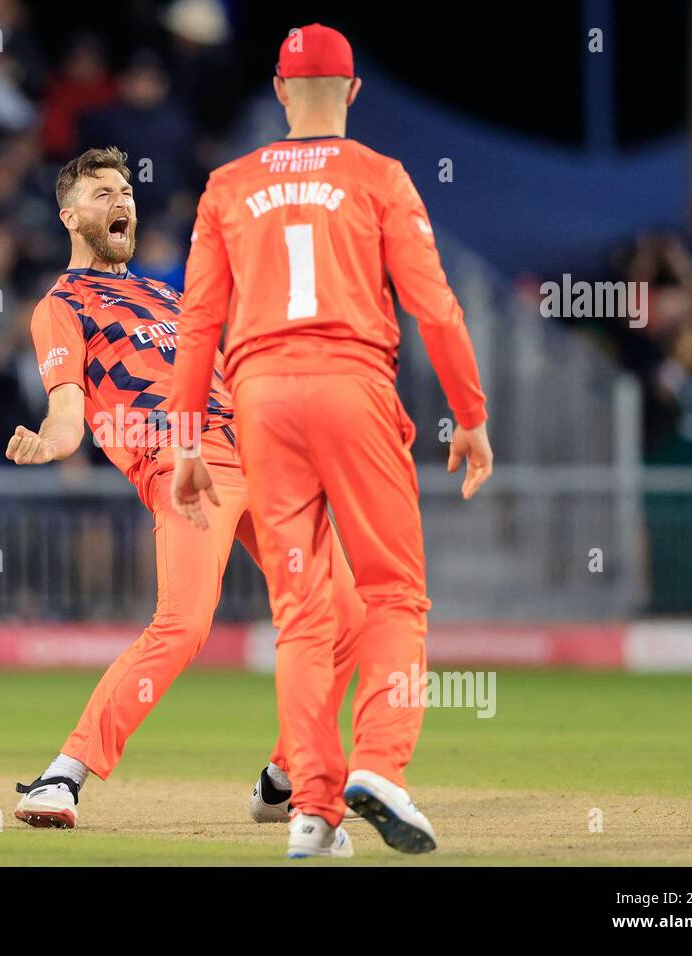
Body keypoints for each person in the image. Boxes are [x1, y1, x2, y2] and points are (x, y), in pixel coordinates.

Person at [170, 23, 494, 858]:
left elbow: (197, 321)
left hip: (259, 402)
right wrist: (471, 414)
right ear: (353, 92)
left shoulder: (226, 186)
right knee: (393, 595)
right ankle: (380, 765)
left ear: (279, 93)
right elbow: (436, 308)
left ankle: (313, 813)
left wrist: (184, 440)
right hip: (352, 389)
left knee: (302, 616)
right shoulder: (380, 177)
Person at [8, 147, 362, 857]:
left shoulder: (173, 297)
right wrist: (52, 441)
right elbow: (70, 409)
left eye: (128, 190)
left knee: (350, 615)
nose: (122, 201)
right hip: (187, 466)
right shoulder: (61, 307)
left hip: (264, 460)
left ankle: (282, 777)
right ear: (69, 214)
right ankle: (63, 775)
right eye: (103, 192)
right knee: (184, 625)